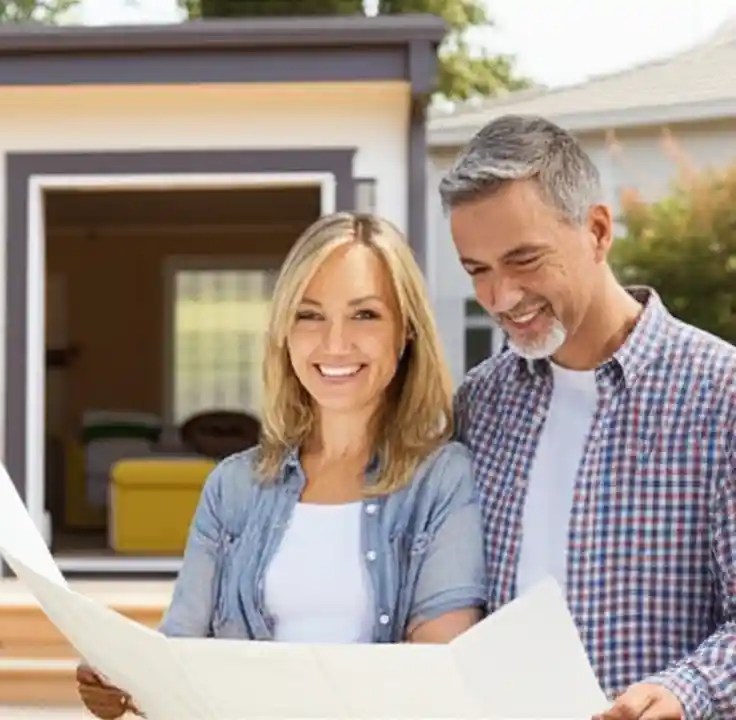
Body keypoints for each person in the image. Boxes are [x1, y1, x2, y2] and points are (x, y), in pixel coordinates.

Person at [75, 212, 488, 719]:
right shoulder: (233, 486)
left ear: (406, 333)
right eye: (309, 314)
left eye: (364, 315)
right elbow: (179, 654)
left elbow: (434, 679)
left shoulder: (443, 480)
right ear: (285, 332)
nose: (335, 342)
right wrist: (128, 684)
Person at [439, 114, 736, 720]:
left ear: (598, 230)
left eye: (523, 259)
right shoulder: (479, 405)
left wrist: (688, 689)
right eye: (478, 270)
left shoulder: (720, 395)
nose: (501, 297)